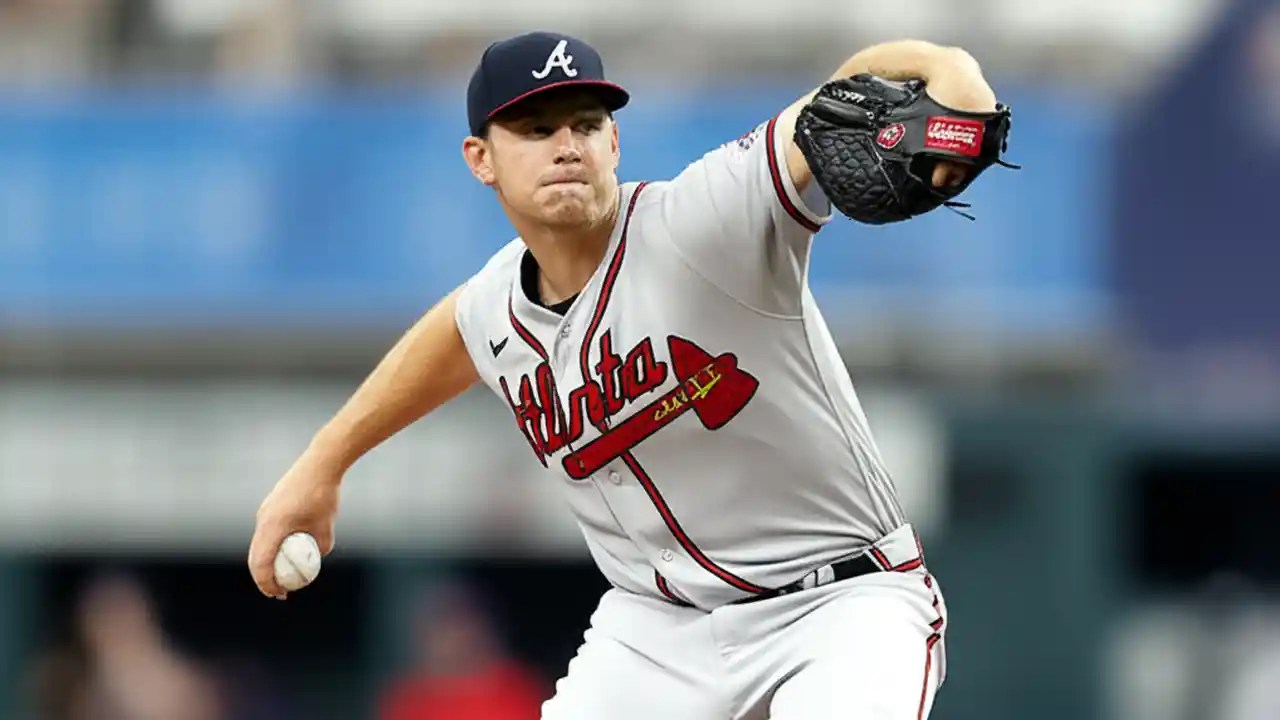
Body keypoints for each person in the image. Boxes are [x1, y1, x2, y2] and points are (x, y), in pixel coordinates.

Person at [249, 30, 1000, 719]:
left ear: (615, 140)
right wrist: (322, 466)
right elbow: (452, 333)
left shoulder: (705, 219)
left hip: (838, 604)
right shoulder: (495, 306)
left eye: (585, 124)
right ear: (481, 158)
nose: (566, 145)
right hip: (659, 631)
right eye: (537, 130)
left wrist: (956, 76)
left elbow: (842, 99)